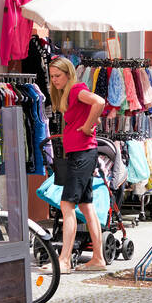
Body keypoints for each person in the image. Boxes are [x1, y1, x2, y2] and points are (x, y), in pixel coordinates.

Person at [47, 57, 108, 273]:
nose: (54, 80)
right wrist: (89, 123)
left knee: (66, 205)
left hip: (82, 153)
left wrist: (85, 128)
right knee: (86, 206)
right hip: (81, 153)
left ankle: (63, 261)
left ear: (68, 74)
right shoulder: (69, 93)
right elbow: (95, 115)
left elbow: (99, 102)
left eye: (58, 76)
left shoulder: (75, 90)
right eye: (52, 76)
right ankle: (98, 258)